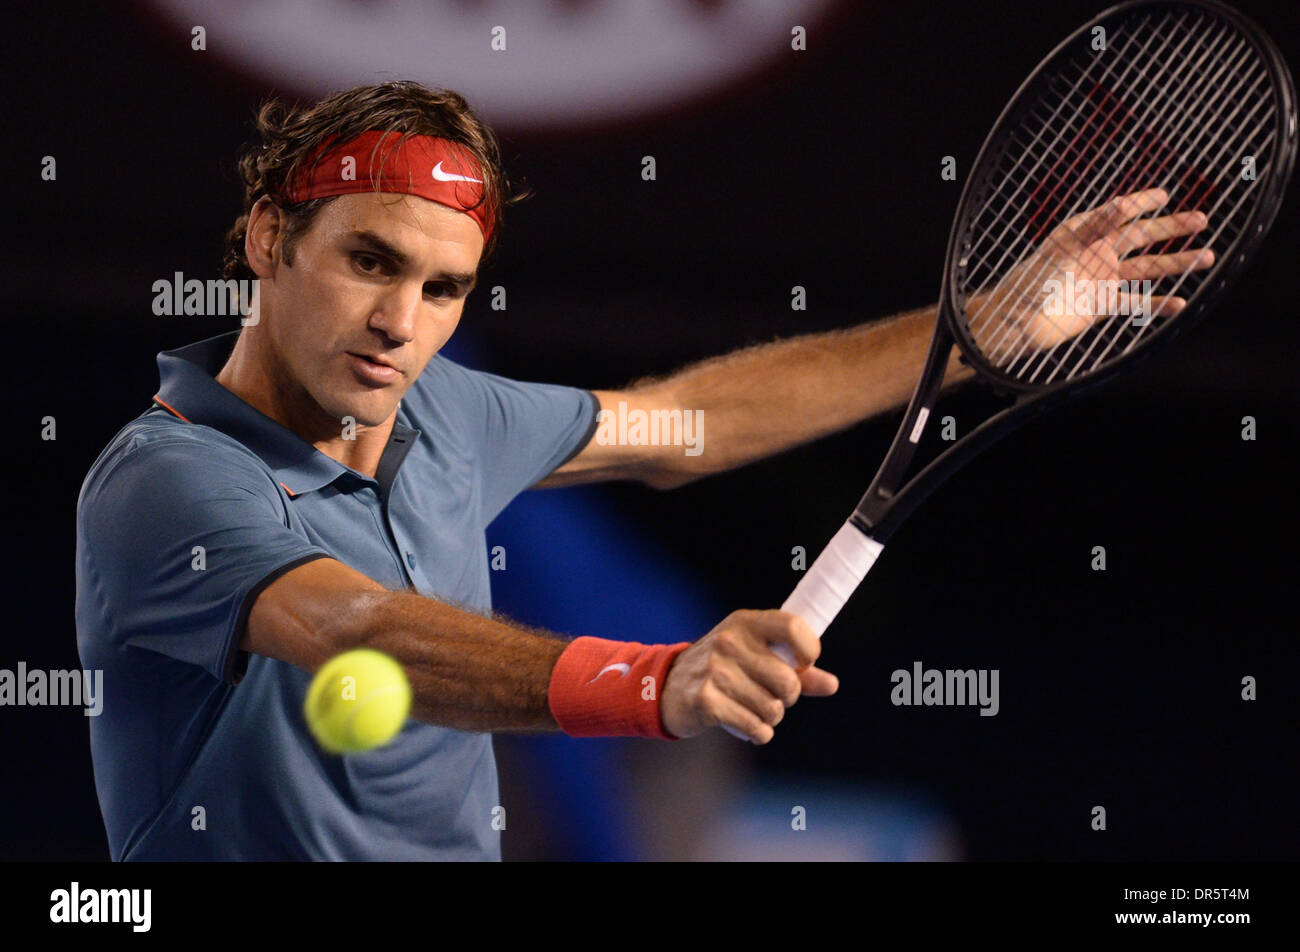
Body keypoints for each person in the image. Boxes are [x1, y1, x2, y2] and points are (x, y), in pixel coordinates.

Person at [74, 80, 1212, 861]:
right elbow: (362, 627)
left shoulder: (444, 411)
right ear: (271, 241)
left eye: (443, 289)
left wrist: (975, 335)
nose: (397, 323)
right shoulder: (169, 478)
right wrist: (651, 682)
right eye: (368, 261)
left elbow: (686, 423)